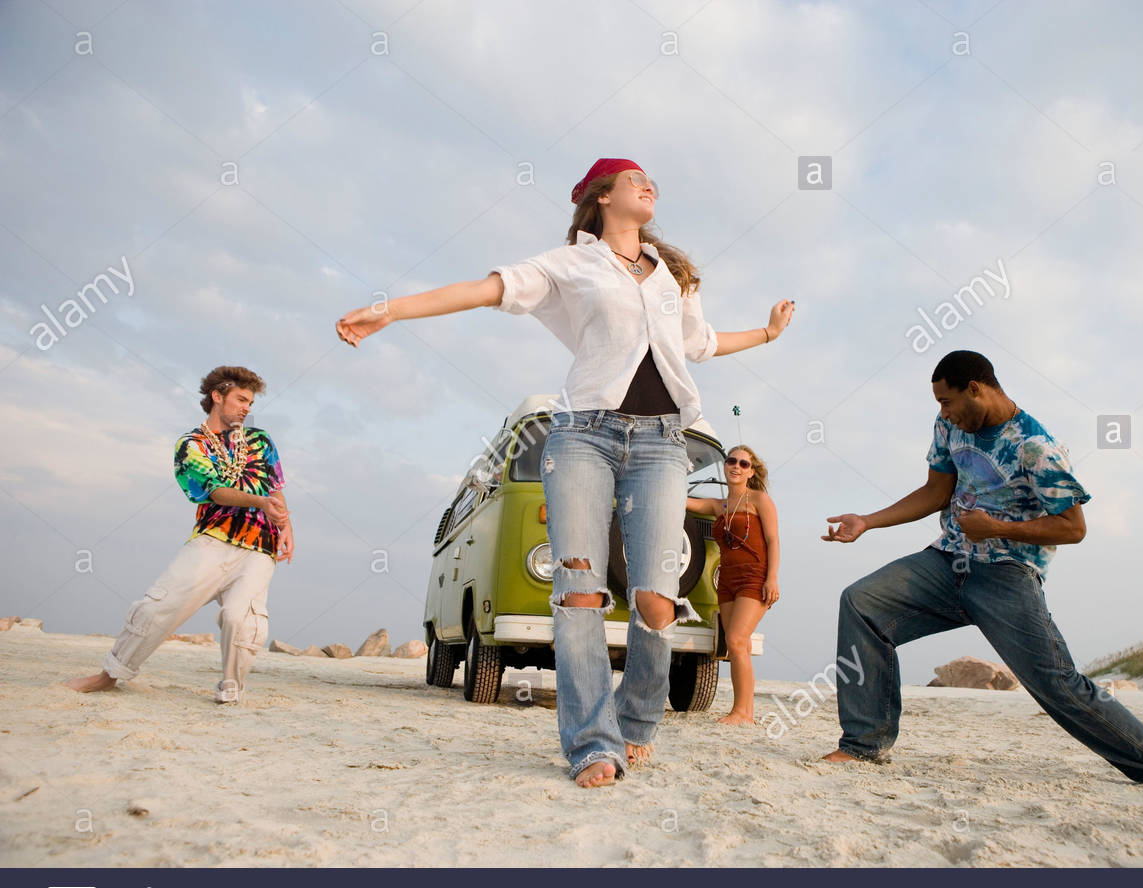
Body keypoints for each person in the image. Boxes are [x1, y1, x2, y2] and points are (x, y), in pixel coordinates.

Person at [335, 158, 794, 787]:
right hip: (582, 437)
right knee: (579, 594)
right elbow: (484, 290)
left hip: (664, 443)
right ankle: (591, 744)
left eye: (650, 179)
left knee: (658, 601)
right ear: (603, 197)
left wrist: (768, 335)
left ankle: (634, 724)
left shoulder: (672, 277)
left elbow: (701, 343)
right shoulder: (568, 264)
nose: (647, 183)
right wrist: (392, 311)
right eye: (633, 178)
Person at [820, 350, 1143, 794]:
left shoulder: (1036, 446)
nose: (944, 412)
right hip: (945, 561)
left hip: (1008, 575)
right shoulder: (949, 428)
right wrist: (867, 522)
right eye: (939, 404)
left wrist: (997, 528)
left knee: (1057, 683)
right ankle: (864, 744)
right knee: (862, 603)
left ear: (976, 388)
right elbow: (936, 492)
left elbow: (1073, 527)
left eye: (947, 401)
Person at [64, 366, 294, 703]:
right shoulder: (191, 445)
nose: (247, 407)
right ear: (218, 396)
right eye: (241, 399)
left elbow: (275, 487)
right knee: (157, 608)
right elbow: (214, 491)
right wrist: (259, 501)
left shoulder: (260, 440)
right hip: (213, 539)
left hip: (260, 546)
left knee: (240, 620)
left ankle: (231, 690)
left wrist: (287, 527)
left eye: (250, 402)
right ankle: (109, 676)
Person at [686, 445, 779, 724]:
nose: (736, 466)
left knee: (737, 640)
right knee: (739, 645)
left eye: (743, 463)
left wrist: (772, 578)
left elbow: (774, 541)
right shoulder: (719, 506)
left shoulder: (760, 500)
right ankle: (747, 712)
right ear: (725, 466)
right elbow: (683, 501)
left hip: (755, 577)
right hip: (726, 581)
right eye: (731, 461)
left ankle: (740, 712)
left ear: (751, 472)